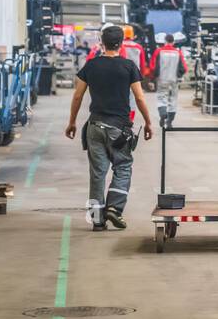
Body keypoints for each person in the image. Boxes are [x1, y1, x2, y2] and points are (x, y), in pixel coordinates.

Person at [65, 25, 154, 230]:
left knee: (97, 174)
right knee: (122, 167)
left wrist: (72, 122)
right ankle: (114, 208)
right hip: (118, 129)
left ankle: (97, 220)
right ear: (121, 43)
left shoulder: (91, 65)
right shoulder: (128, 66)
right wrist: (148, 122)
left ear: (101, 43)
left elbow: (77, 95)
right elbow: (139, 97)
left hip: (94, 127)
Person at [148, 33, 187, 128]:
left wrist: (152, 78)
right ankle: (169, 122)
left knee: (161, 97)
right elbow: (184, 68)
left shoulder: (158, 51)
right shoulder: (178, 52)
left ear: (165, 41)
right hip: (174, 80)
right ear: (173, 42)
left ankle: (163, 114)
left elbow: (153, 67)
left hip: (162, 79)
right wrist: (178, 75)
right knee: (173, 99)